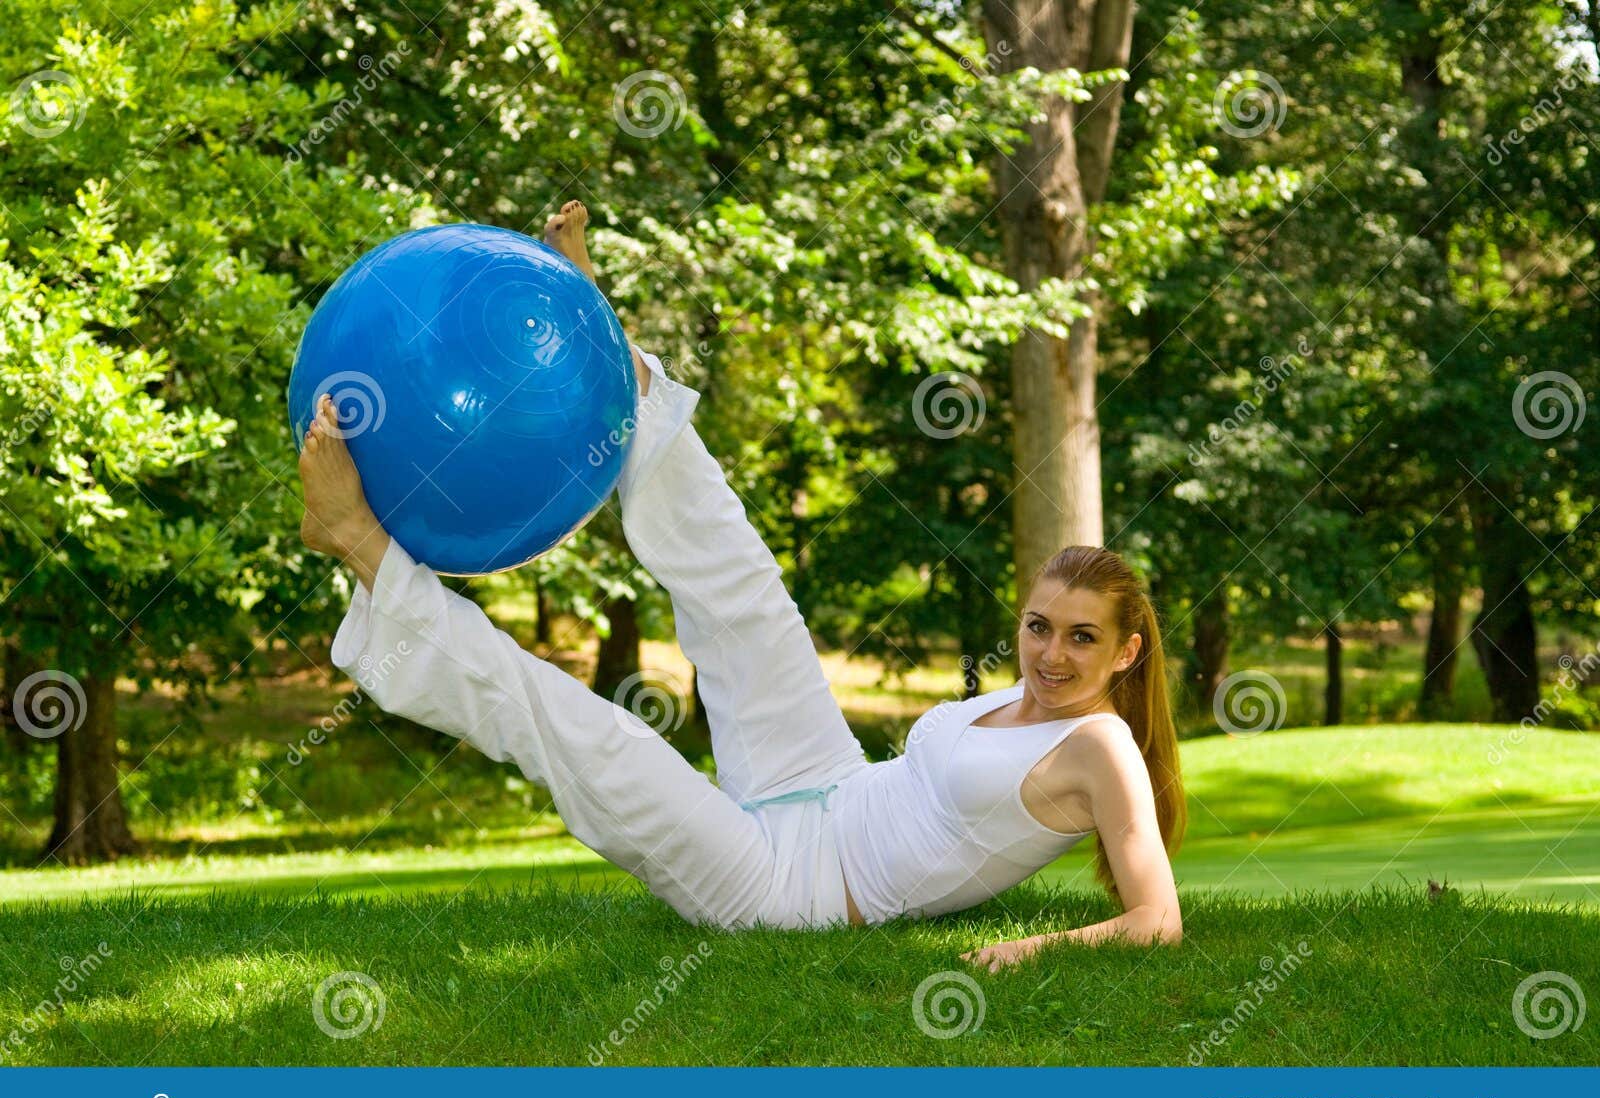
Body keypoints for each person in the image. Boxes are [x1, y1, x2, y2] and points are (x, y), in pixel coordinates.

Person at [296, 202, 1184, 973]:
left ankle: (360, 541)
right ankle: (604, 350)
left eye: (1081, 638)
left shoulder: (1103, 747)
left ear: (1127, 650)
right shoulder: (1023, 699)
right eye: (1040, 625)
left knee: (596, 742)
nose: (1051, 653)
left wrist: (1028, 950)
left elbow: (1158, 918)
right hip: (824, 781)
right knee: (747, 591)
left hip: (786, 885)